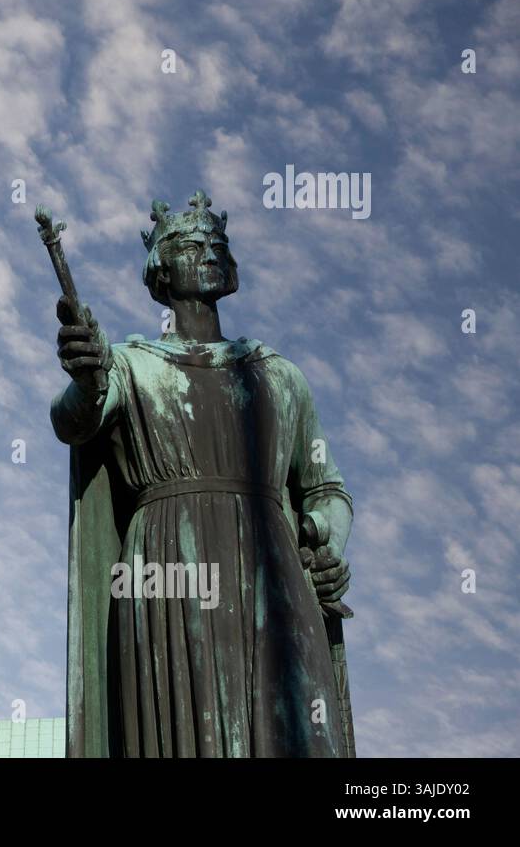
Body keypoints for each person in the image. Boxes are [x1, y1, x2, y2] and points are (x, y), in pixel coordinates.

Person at [51, 191, 354, 757]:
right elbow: (73, 419)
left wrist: (329, 542)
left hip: (273, 572)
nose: (209, 248)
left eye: (218, 241)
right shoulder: (132, 364)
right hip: (168, 573)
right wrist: (87, 375)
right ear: (160, 269)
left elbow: (326, 488)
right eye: (190, 242)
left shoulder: (281, 375)